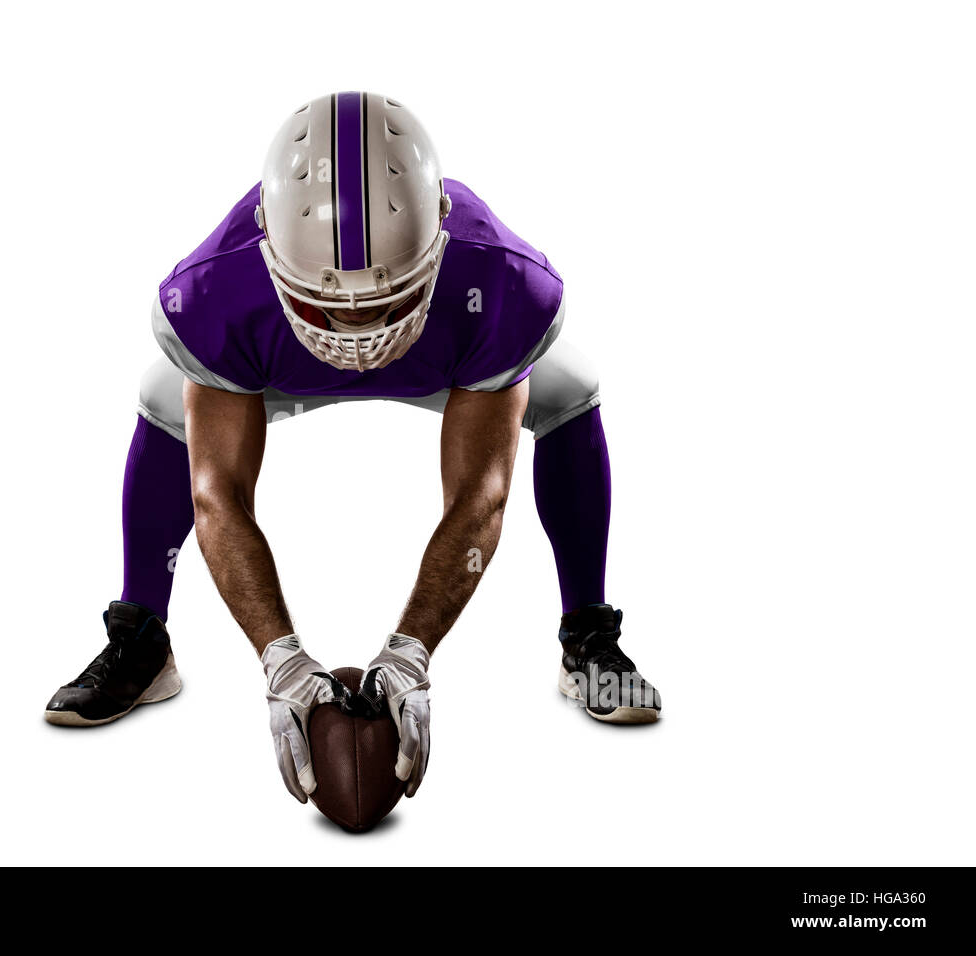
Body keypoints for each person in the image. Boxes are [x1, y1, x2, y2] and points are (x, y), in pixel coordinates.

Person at [44, 92, 661, 804]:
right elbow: (221, 497)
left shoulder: (497, 278)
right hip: (281, 359)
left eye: (384, 302)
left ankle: (588, 635)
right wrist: (281, 660)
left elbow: (479, 498)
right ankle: (142, 639)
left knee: (571, 389)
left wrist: (410, 655)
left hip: (442, 354)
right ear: (268, 247)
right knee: (164, 403)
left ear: (442, 244)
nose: (355, 333)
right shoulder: (216, 290)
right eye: (327, 302)